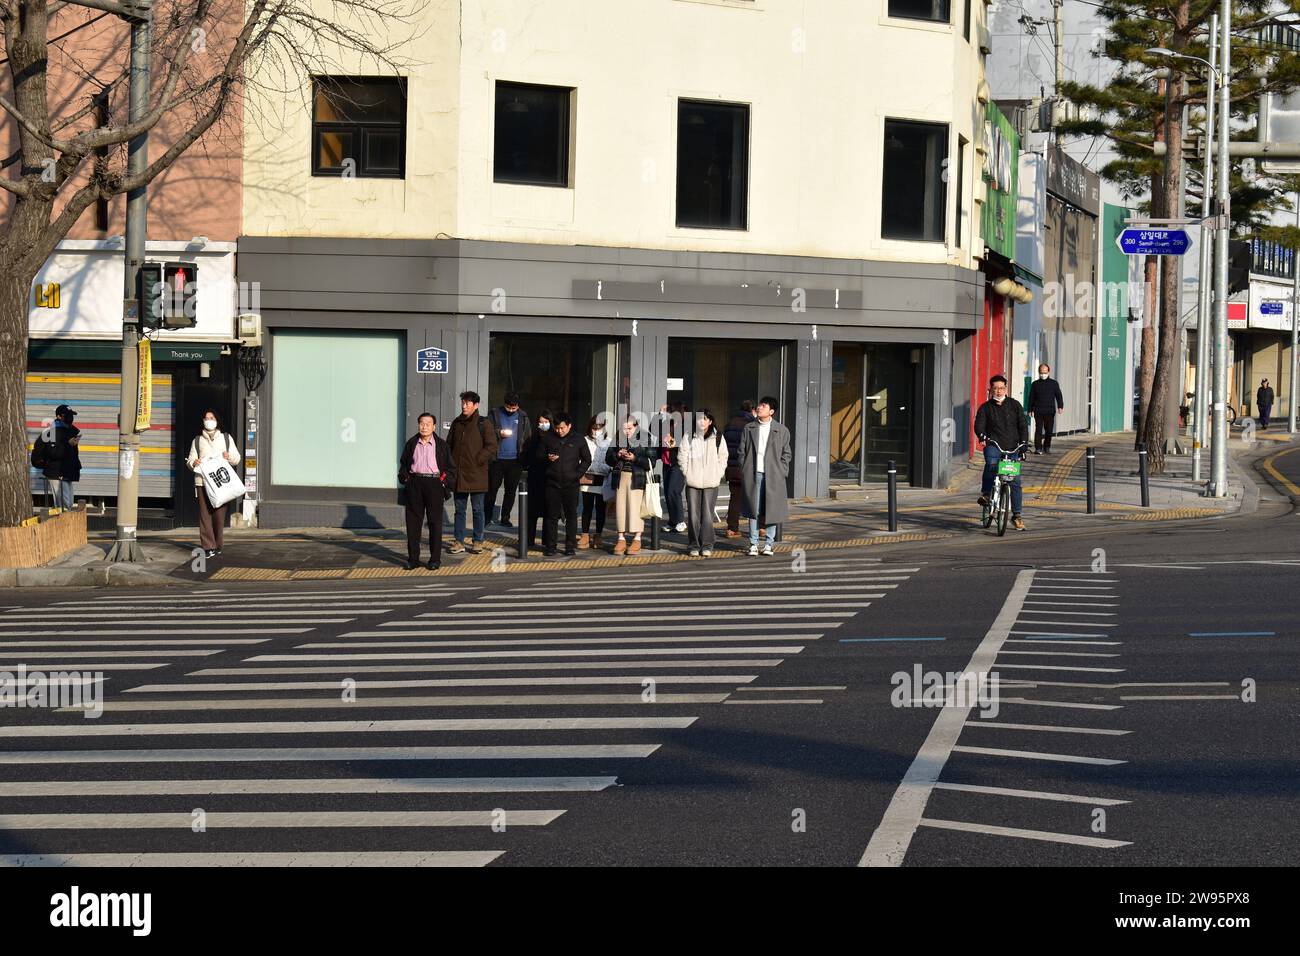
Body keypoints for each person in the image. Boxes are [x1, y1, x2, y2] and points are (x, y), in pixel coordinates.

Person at [398, 412, 454, 570]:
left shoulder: (442, 445)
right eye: (422, 423)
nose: (424, 426)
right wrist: (406, 479)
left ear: (434, 426)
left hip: (434, 483)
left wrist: (443, 483)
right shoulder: (411, 443)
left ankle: (434, 559)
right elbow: (403, 464)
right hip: (415, 482)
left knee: (435, 523)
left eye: (428, 424)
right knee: (413, 523)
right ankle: (413, 559)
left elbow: (451, 467)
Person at [974, 374, 1029, 532]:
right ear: (990, 390)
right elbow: (979, 425)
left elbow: (1022, 426)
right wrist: (982, 436)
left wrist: (1024, 444)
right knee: (991, 464)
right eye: (995, 388)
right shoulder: (985, 407)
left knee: (1016, 481)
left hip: (1013, 448)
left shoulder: (1015, 405)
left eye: (1002, 388)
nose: (998, 391)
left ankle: (1016, 516)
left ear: (1006, 388)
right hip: (994, 445)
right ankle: (986, 494)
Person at [446, 390, 498, 554]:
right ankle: (459, 541)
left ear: (476, 405)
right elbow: (448, 446)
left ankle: (478, 541)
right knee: (459, 510)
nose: (464, 406)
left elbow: (492, 446)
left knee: (477, 510)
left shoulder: (484, 423)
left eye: (468, 403)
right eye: (463, 402)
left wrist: (478, 460)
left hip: (477, 474)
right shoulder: (457, 423)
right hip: (459, 476)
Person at [185, 409, 241, 559]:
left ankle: (218, 544)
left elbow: (237, 458)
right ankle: (208, 546)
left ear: (217, 420)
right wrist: (194, 463)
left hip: (221, 483)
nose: (208, 420)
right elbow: (190, 461)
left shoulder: (226, 438)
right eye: (206, 418)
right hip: (202, 482)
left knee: (219, 516)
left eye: (211, 417)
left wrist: (228, 457)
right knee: (205, 516)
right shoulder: (197, 440)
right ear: (203, 421)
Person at [739, 396, 792, 556]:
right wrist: (744, 468)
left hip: (773, 475)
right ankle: (753, 543)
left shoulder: (781, 430)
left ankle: (769, 544)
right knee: (753, 509)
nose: (759, 408)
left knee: (772, 509)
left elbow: (786, 454)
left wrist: (782, 471)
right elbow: (741, 451)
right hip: (753, 473)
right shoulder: (749, 428)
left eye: (763, 405)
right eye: (759, 405)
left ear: (771, 411)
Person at [679, 409, 729, 557]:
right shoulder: (689, 436)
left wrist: (718, 474)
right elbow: (682, 455)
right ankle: (693, 544)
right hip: (692, 481)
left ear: (710, 421)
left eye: (705, 419)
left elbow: (723, 457)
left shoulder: (718, 437)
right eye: (700, 418)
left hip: (711, 482)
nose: (702, 421)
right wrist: (687, 472)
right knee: (693, 515)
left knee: (707, 515)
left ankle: (707, 544)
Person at [541, 413, 592, 556]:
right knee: (551, 516)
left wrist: (577, 474)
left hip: (571, 483)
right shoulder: (549, 438)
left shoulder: (578, 439)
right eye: (557, 428)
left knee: (571, 516)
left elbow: (587, 459)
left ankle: (570, 546)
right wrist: (547, 458)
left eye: (562, 428)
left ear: (569, 426)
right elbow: (539, 455)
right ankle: (550, 546)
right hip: (552, 483)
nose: (559, 431)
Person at [605, 416, 655, 555]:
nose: (626, 431)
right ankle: (621, 538)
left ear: (636, 426)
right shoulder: (618, 438)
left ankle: (637, 539)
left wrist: (635, 458)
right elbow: (608, 458)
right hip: (620, 476)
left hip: (637, 476)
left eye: (630, 428)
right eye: (624, 428)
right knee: (621, 508)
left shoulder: (645, 437)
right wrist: (617, 454)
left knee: (636, 509)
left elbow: (652, 462)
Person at [487, 392, 531, 525]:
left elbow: (528, 436)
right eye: (509, 407)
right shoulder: (494, 414)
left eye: (514, 408)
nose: (511, 410)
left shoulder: (523, 416)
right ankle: (487, 517)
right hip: (497, 459)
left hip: (515, 460)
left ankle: (505, 517)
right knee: (492, 489)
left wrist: (525, 457)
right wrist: (498, 433)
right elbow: (486, 431)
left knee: (511, 490)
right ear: (504, 404)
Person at [521, 409, 553, 552]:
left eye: (546, 422)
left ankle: (547, 541)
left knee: (548, 512)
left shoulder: (554, 439)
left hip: (550, 480)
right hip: (534, 479)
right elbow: (524, 457)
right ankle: (528, 540)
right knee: (531, 513)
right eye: (540, 422)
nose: (543, 425)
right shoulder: (532, 439)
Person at [578, 415, 612, 550]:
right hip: (587, 477)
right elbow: (579, 459)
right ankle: (585, 535)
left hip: (602, 478)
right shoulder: (584, 440)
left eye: (599, 428)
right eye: (594, 428)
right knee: (586, 507)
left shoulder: (609, 441)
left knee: (600, 508)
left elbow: (611, 461)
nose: (596, 431)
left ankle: (598, 534)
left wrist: (606, 469)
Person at [722, 400, 755, 537]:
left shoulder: (730, 423)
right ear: (752, 410)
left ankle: (732, 528)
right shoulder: (751, 425)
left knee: (735, 497)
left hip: (731, 466)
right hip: (746, 466)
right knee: (754, 497)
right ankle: (760, 527)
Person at [41, 404, 82, 510]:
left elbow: (72, 455)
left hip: (67, 472)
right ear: (59, 416)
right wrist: (68, 444)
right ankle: (59, 524)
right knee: (63, 506)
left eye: (71, 415)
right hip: (57, 473)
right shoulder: (52, 432)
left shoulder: (70, 431)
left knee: (68, 504)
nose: (70, 418)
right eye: (67, 415)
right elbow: (52, 453)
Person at [1026, 363, 1064, 455]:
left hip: (1050, 411)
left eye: (1045, 372)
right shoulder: (1035, 384)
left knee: (1049, 430)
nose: (1043, 374)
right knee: (1038, 429)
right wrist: (1030, 409)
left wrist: (1060, 406)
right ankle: (1038, 448)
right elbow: (1031, 397)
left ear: (1048, 372)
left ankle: (1047, 447)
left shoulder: (1054, 383)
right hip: (1038, 410)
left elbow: (1058, 395)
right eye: (1041, 373)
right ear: (1039, 373)